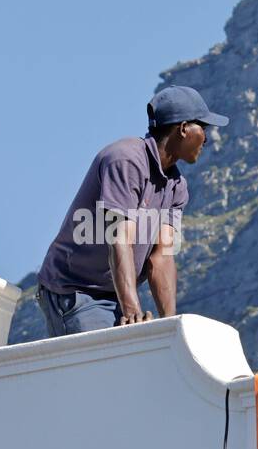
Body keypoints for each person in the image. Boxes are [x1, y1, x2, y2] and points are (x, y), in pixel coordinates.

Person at [35, 85, 229, 336]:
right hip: (75, 291)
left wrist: (170, 329)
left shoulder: (177, 187)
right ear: (183, 129)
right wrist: (131, 311)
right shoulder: (125, 160)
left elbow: (162, 257)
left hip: (113, 293)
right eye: (204, 128)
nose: (207, 137)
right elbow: (120, 239)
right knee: (103, 371)